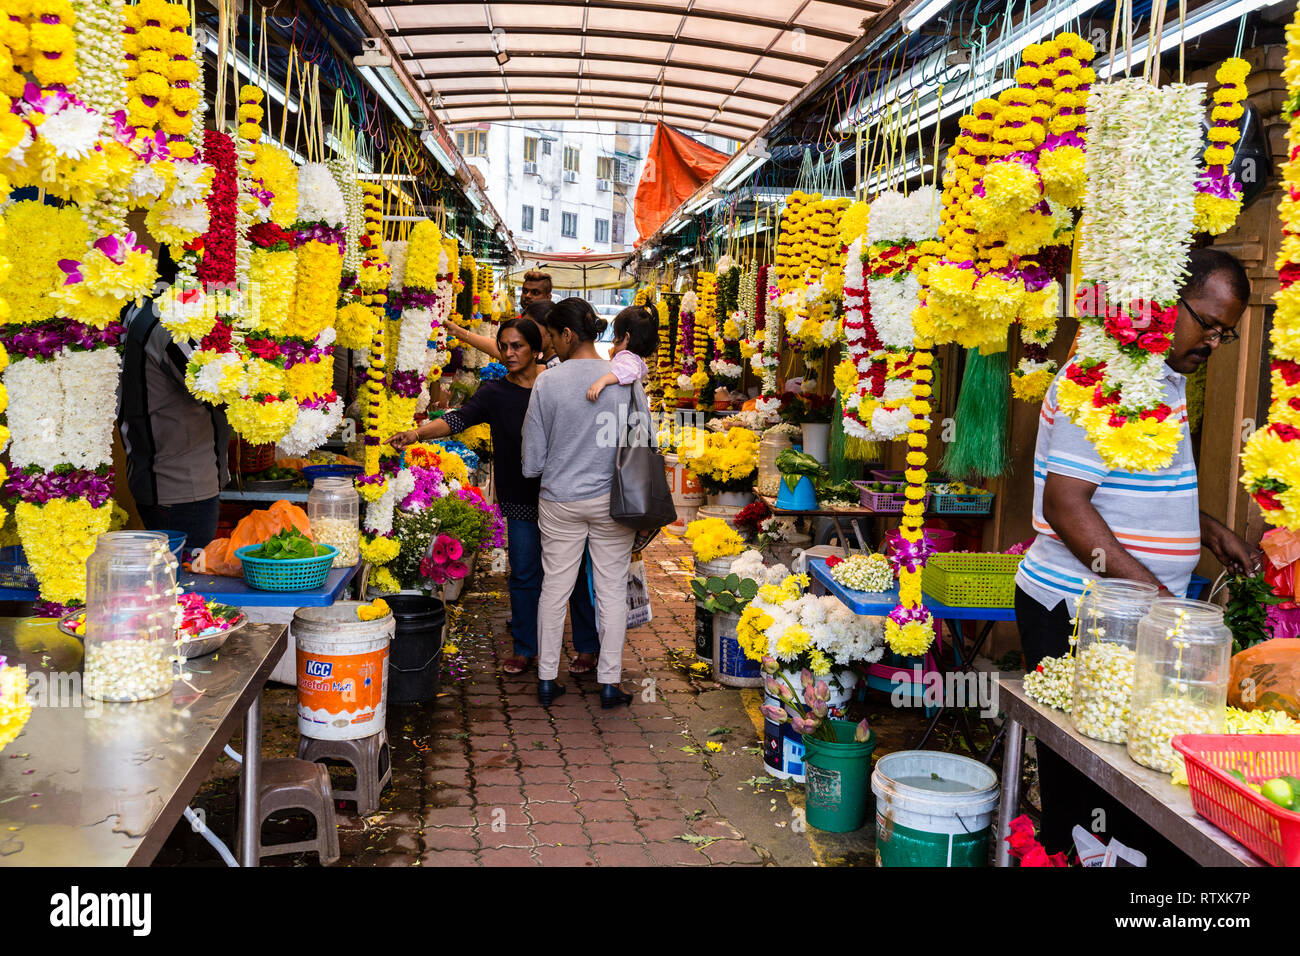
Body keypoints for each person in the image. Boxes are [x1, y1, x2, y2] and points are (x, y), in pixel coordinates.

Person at [1015, 247, 1262, 857]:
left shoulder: (1167, 376)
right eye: (1208, 322)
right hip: (1077, 611)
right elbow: (1067, 506)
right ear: (1165, 300)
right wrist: (1155, 599)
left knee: (1133, 775)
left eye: (1225, 333)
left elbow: (1130, 487)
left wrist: (1204, 528)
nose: (1213, 340)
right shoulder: (1096, 379)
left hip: (1140, 616)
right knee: (1088, 785)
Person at [388, 317, 600, 676]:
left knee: (577, 572)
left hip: (563, 495)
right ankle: (524, 648)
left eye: (517, 346)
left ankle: (587, 647)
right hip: (519, 496)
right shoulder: (494, 392)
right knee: (523, 574)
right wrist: (416, 434)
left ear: (537, 350)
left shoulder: (556, 384)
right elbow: (458, 420)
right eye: (504, 346)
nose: (509, 353)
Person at [523, 297, 637, 709]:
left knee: (554, 588)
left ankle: (547, 679)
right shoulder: (623, 375)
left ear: (568, 335)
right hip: (613, 502)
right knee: (610, 590)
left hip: (560, 500)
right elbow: (644, 440)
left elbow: (532, 460)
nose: (549, 345)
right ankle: (609, 683)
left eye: (552, 337)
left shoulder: (547, 382)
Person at [118, 251, 231, 553]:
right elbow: (216, 386)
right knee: (185, 588)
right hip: (180, 483)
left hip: (164, 474)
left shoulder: (143, 303)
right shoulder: (171, 319)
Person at [444, 270, 555, 362]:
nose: (527, 296)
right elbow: (500, 349)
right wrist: (459, 332)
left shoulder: (555, 323)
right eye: (525, 291)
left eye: (535, 293)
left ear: (548, 297)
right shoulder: (518, 321)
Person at [586, 305, 658, 402]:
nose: (613, 341)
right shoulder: (633, 358)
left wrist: (603, 381)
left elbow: (628, 370)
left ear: (627, 338)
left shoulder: (628, 357)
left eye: (616, 336)